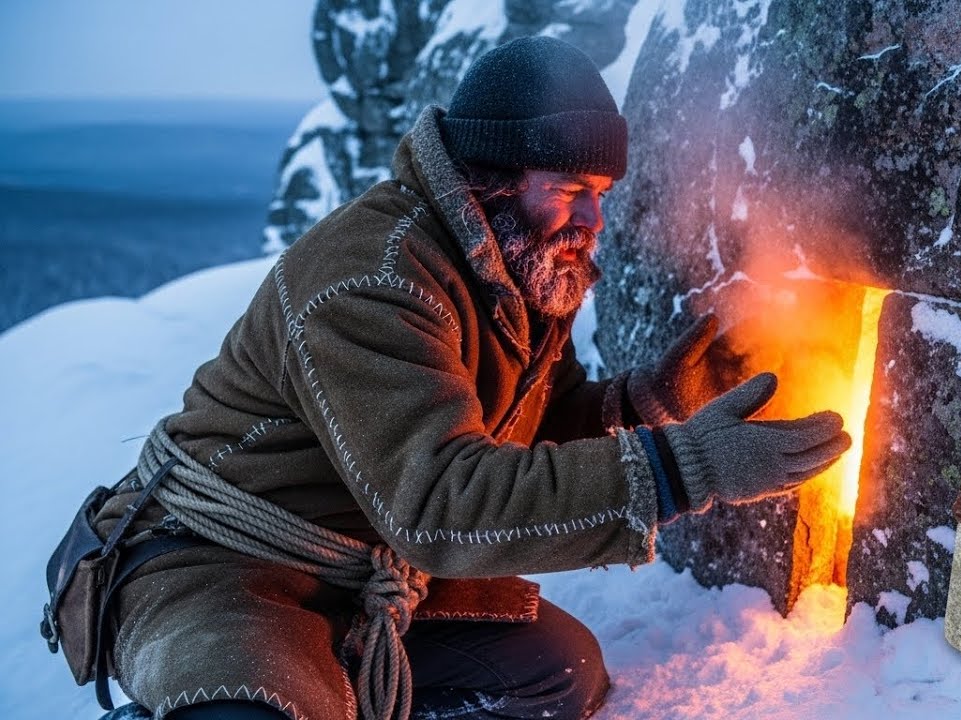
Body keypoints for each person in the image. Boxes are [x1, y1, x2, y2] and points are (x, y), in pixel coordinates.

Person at [77, 36, 850, 720]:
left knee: (556, 675)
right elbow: (442, 502)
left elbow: (526, 422)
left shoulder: (513, 264)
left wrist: (641, 407)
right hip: (223, 566)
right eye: (570, 190)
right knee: (257, 709)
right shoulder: (374, 282)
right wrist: (680, 469)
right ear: (493, 180)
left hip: (361, 574)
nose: (593, 221)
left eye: (601, 195)